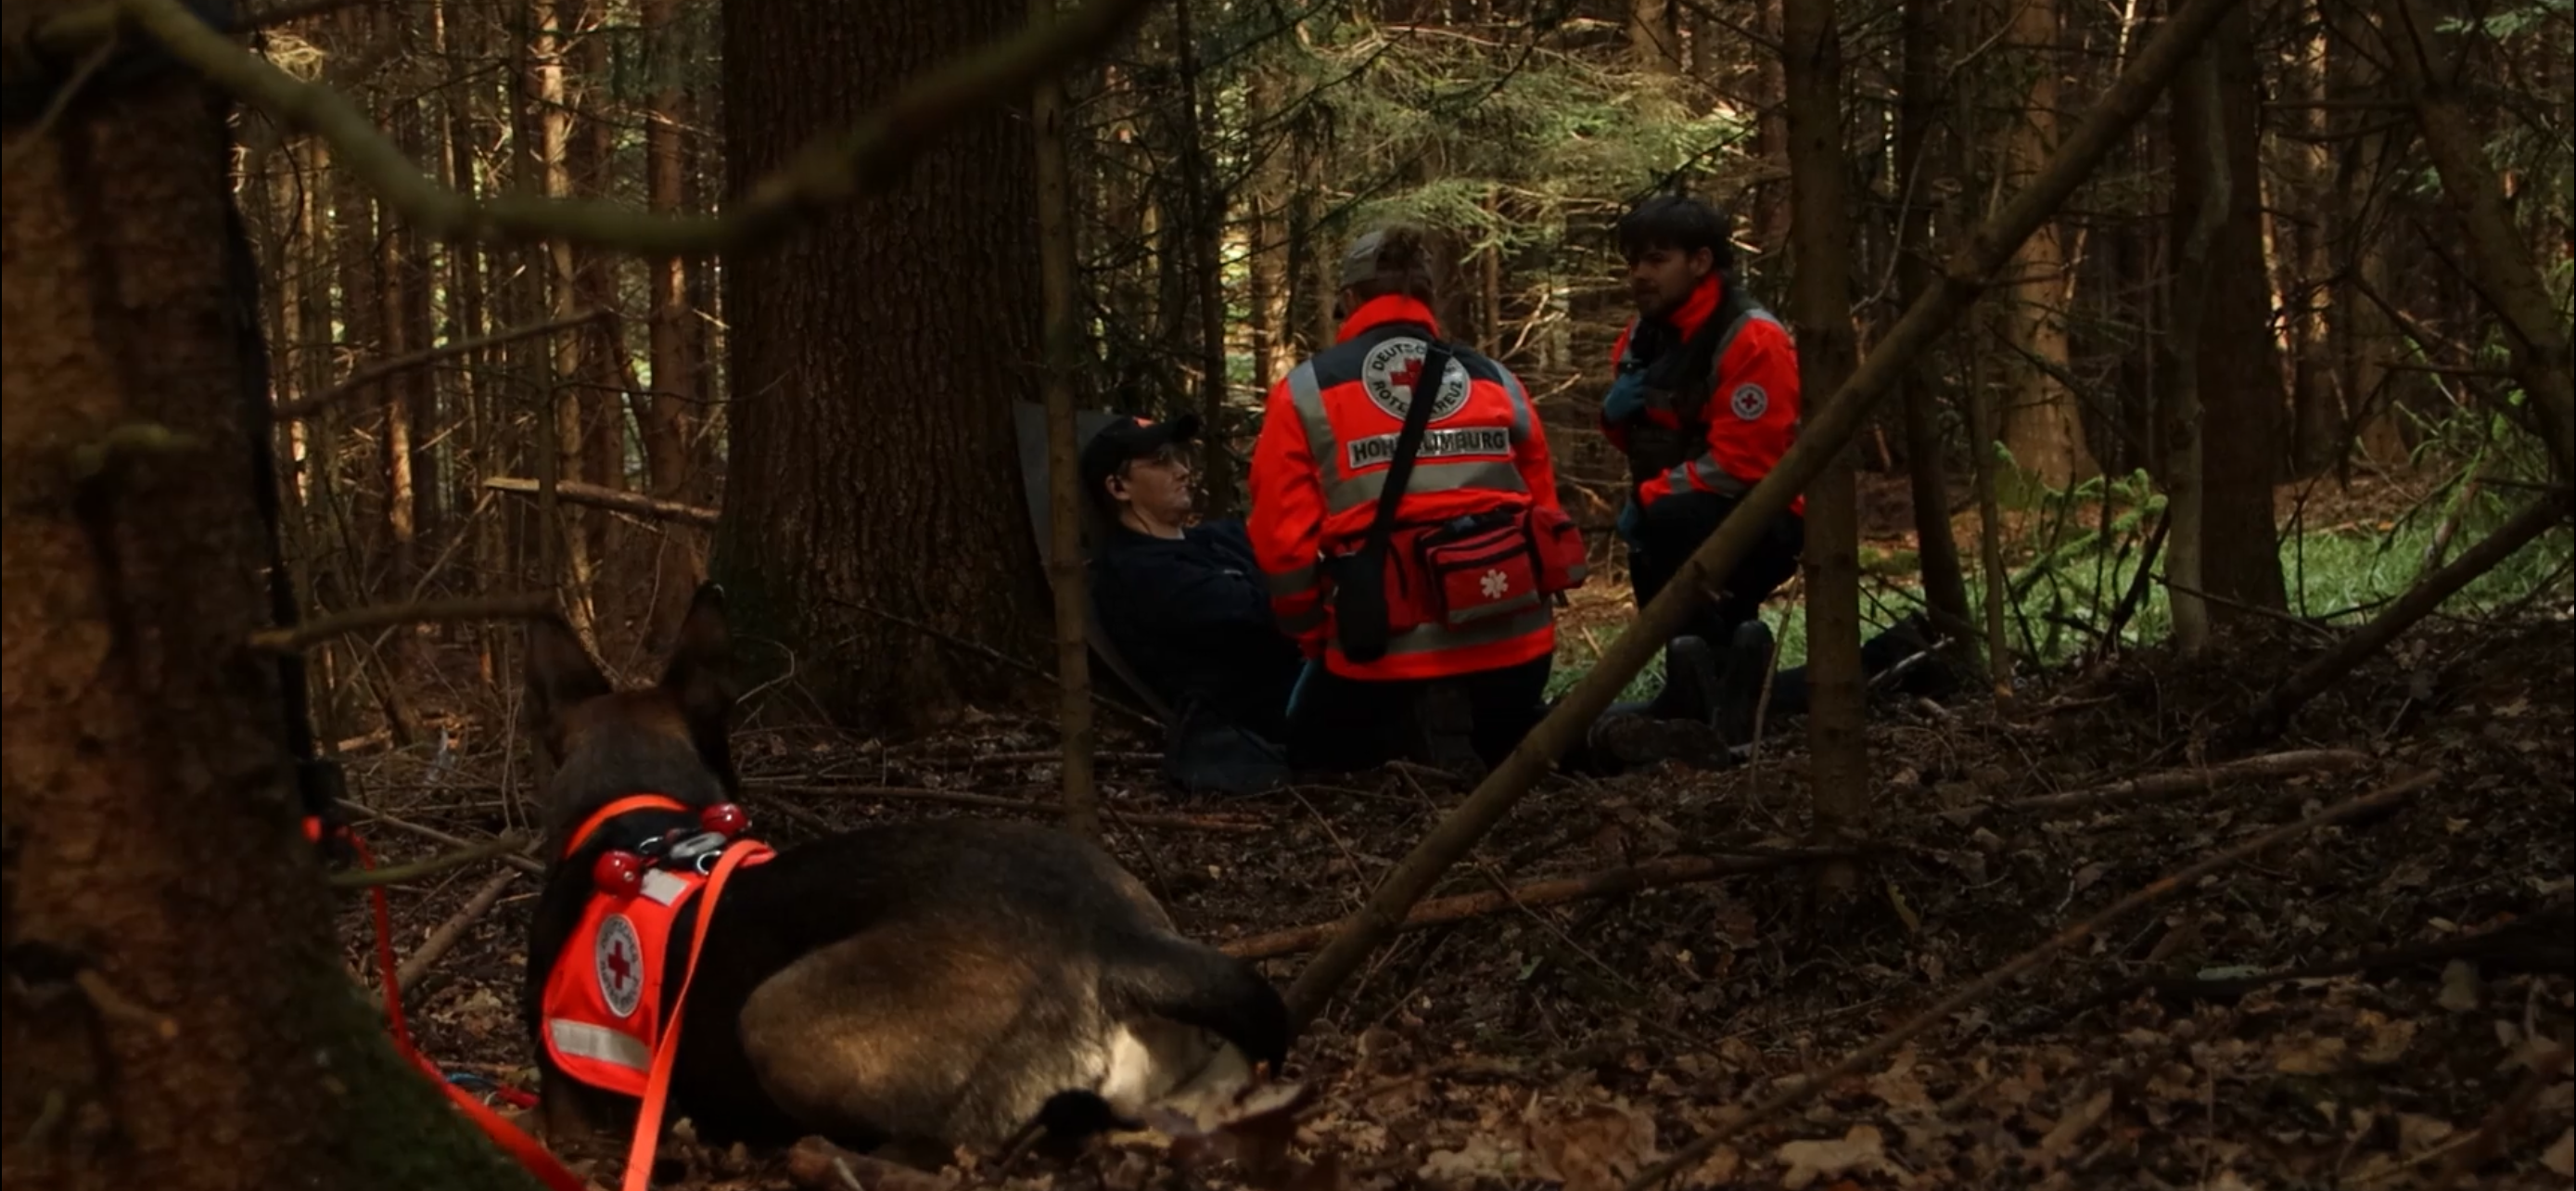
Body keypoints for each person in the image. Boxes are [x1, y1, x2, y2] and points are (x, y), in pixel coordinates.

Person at [1248, 225, 1588, 775]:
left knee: (1306, 756)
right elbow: (1543, 510)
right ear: (1429, 297)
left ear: (1351, 300)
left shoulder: (1307, 392)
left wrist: (1315, 636)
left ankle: (1430, 735)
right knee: (1513, 733)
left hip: (1383, 661)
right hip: (1517, 649)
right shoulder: (1497, 380)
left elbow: (1283, 547)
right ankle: (1585, 735)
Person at [1599, 194, 1809, 744]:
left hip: (1763, 515)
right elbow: (1640, 434)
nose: (1640, 274)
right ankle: (1704, 689)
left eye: (1656, 259)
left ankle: (1729, 687)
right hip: (1682, 505)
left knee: (1670, 521)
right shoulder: (1643, 336)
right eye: (1634, 261)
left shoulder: (1752, 338)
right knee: (1659, 540)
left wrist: (1653, 498)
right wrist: (1614, 414)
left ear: (1700, 262)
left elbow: (1749, 463)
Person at [1080, 412, 1306, 793]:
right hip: (1278, 714)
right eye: (1161, 462)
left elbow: (1291, 562)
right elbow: (1279, 612)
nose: (1183, 470)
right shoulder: (1142, 572)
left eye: (1178, 456)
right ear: (1119, 488)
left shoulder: (1216, 538)